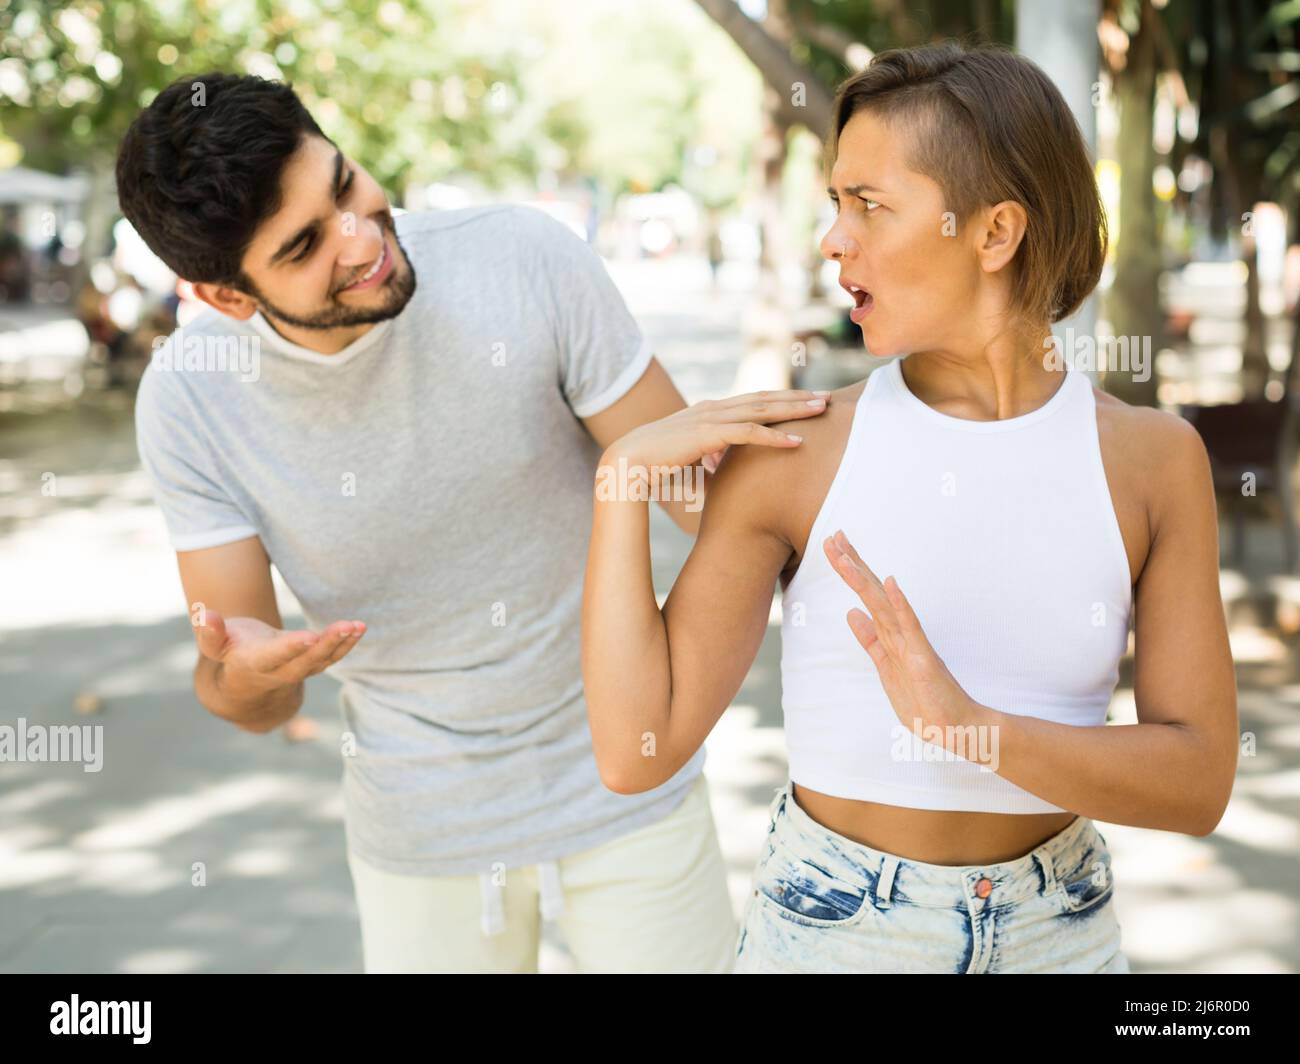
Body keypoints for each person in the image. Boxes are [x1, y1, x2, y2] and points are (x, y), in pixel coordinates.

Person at [116, 72, 826, 973]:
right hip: (422, 826)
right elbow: (252, 693)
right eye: (303, 246)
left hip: (628, 781)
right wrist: (248, 674)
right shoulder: (189, 404)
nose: (361, 237)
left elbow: (705, 503)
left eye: (343, 184)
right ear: (226, 296)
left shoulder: (521, 256)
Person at [582, 41, 1239, 974]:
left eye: (870, 205)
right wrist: (619, 486)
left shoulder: (1154, 460)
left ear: (994, 233)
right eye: (835, 205)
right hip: (835, 934)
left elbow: (1199, 780)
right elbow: (634, 752)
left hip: (1062, 937)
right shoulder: (795, 453)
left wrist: (968, 726)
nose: (834, 239)